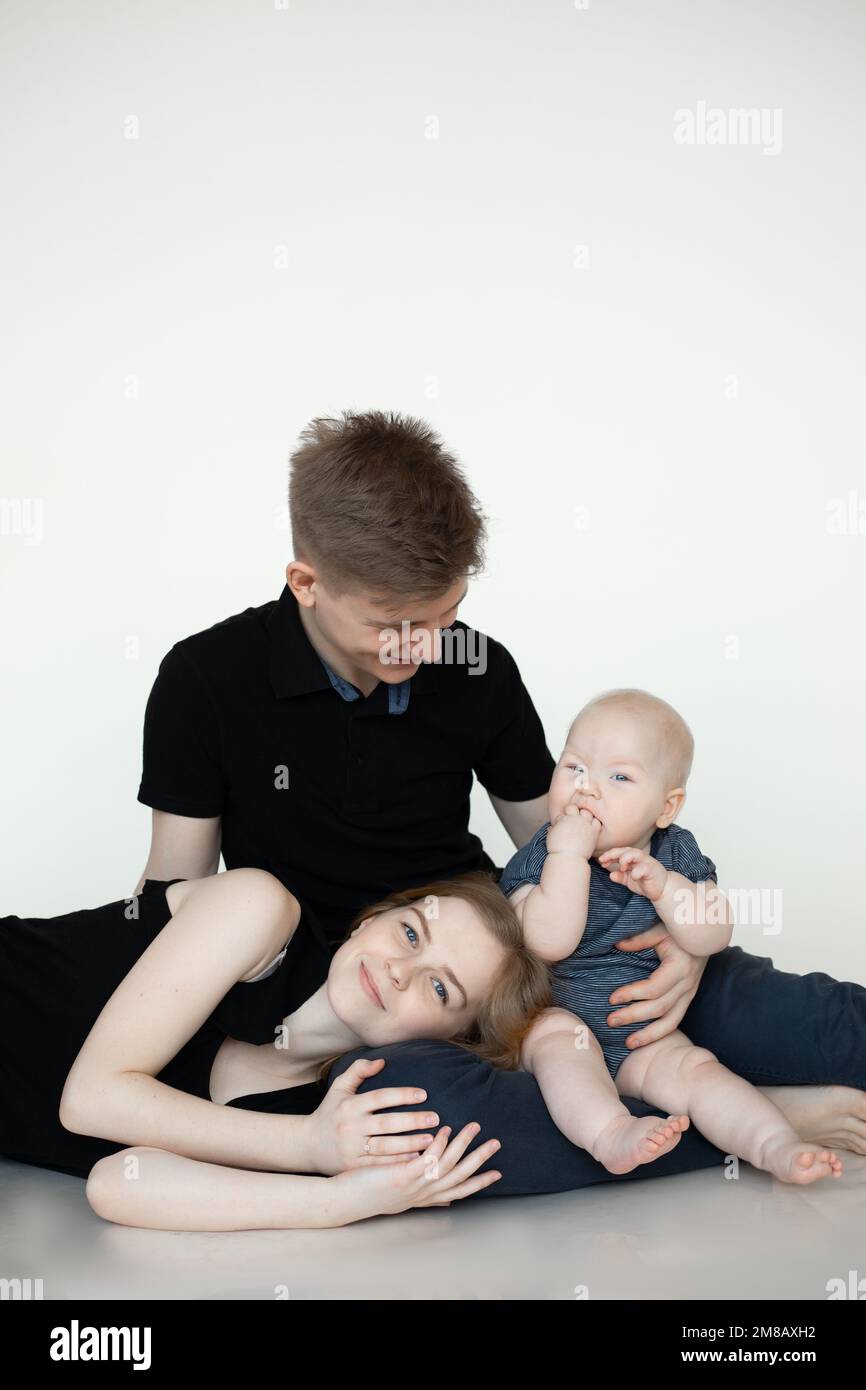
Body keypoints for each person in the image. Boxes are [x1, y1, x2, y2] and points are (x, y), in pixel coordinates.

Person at [133, 409, 866, 1195]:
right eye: (394, 628)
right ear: (306, 584)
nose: (423, 649)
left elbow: (566, 833)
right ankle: (755, 1123)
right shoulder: (204, 680)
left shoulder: (474, 664)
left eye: (443, 617)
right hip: (385, 998)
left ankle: (726, 1086)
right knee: (418, 1115)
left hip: (519, 939)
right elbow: (175, 895)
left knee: (778, 1015)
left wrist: (683, 946)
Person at [1, 868, 543, 1228]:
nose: (400, 972)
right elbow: (90, 1099)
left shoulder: (333, 1113)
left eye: (440, 987)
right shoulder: (259, 910)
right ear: (370, 919)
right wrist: (306, 1146)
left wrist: (345, 1201)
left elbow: (117, 1183)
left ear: (448, 1044)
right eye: (409, 934)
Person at [502, 689, 844, 1183]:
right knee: (561, 1050)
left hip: (642, 1034)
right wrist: (568, 859)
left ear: (666, 807)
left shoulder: (673, 853)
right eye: (573, 767)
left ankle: (777, 1146)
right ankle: (612, 1134)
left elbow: (712, 936)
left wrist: (665, 889)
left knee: (696, 1071)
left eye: (618, 777)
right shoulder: (544, 852)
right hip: (557, 1019)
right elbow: (547, 942)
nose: (586, 789)